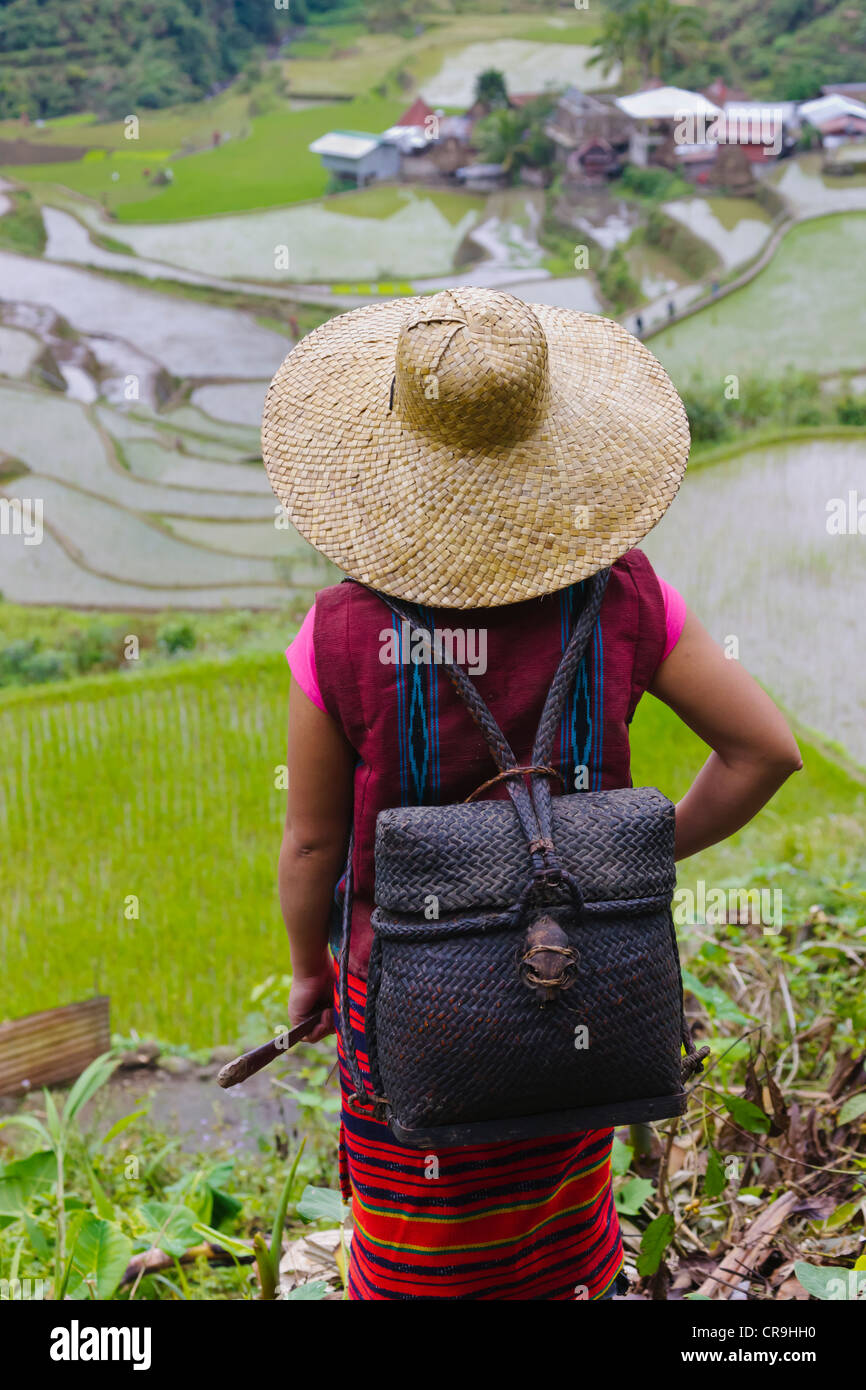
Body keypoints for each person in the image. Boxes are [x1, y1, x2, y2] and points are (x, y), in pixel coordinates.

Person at [262, 287, 802, 1300]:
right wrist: (622, 859)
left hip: (410, 1000)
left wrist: (305, 974)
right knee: (560, 1209)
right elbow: (762, 750)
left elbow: (308, 848)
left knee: (420, 1228)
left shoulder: (339, 633)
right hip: (577, 967)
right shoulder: (626, 593)